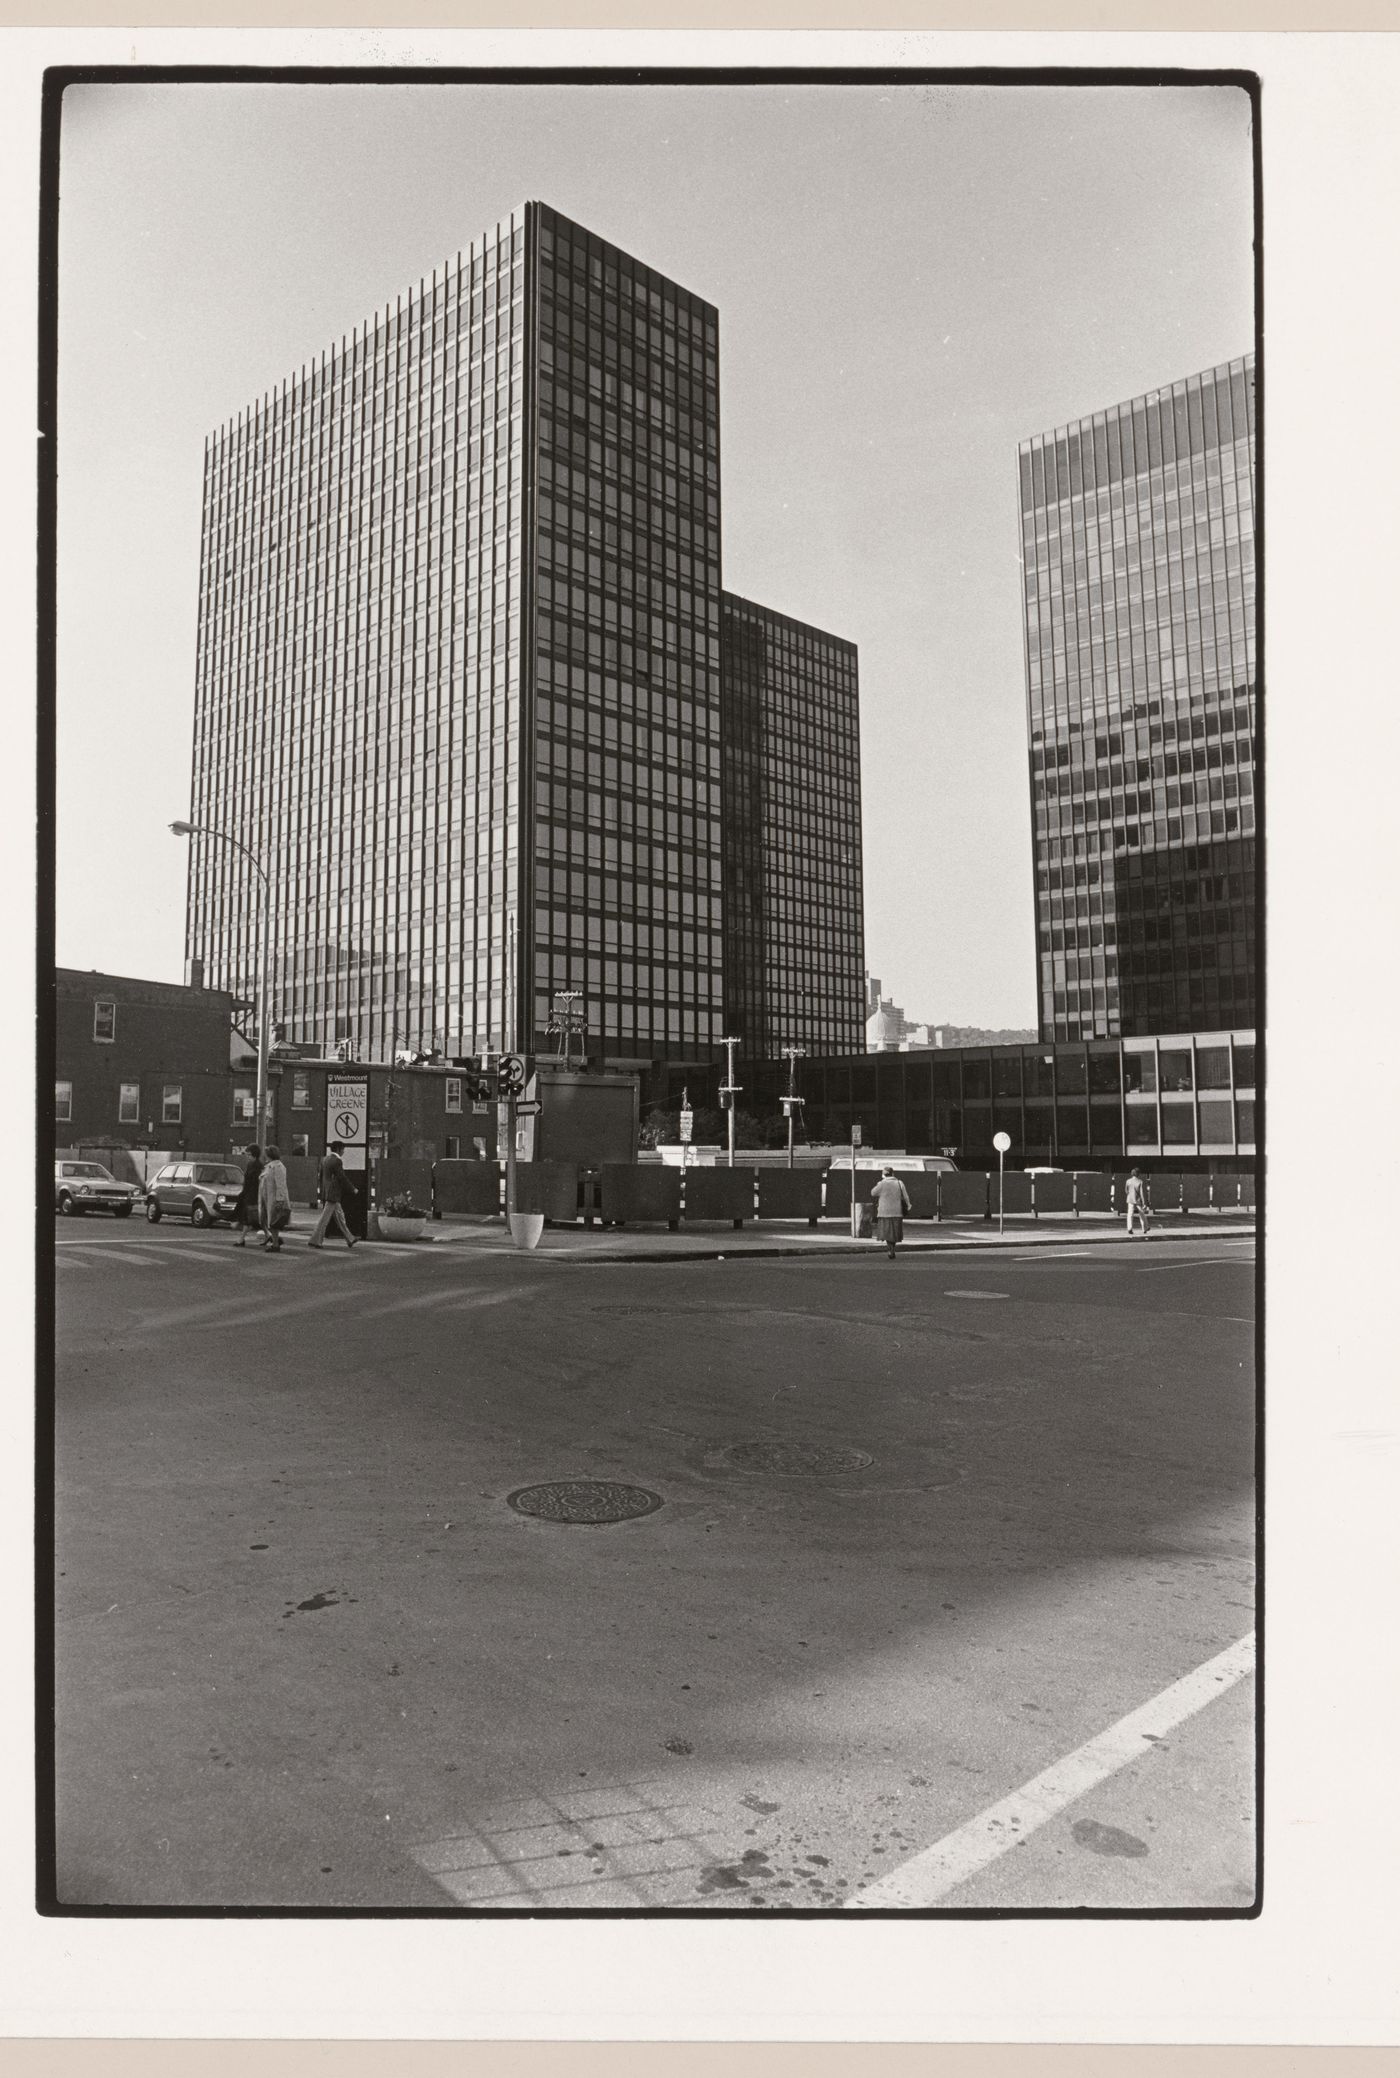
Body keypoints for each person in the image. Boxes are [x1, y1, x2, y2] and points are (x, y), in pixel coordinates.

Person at [308, 1140, 358, 1250]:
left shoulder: (325, 1159)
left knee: (340, 1217)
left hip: (328, 1192)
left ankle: (350, 1238)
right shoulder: (337, 1161)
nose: (344, 1152)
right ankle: (315, 1240)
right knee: (324, 1219)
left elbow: (321, 1177)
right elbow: (342, 1177)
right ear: (339, 1149)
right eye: (343, 1149)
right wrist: (352, 1188)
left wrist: (322, 1192)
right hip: (333, 1194)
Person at [870, 1165, 913, 1261]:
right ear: (893, 1173)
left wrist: (879, 1184)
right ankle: (892, 1249)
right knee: (894, 1233)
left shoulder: (881, 1184)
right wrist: (909, 1205)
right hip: (897, 1212)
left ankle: (890, 1249)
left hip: (884, 1212)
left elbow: (873, 1193)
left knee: (887, 1233)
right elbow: (905, 1196)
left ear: (883, 1175)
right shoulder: (899, 1182)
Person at [257, 1143, 293, 1251]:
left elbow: (280, 1185)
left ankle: (276, 1244)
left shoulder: (278, 1167)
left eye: (266, 1154)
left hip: (274, 1200)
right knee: (269, 1222)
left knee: (273, 1223)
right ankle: (276, 1240)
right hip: (266, 1199)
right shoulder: (269, 1166)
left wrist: (280, 1200)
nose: (265, 1156)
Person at [231, 1144, 264, 1247]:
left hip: (253, 1196)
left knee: (250, 1219)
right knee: (251, 1219)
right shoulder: (251, 1165)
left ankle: (241, 1239)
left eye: (249, 1155)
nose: (248, 1157)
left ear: (254, 1155)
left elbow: (255, 1182)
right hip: (248, 1194)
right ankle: (269, 1236)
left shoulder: (258, 1166)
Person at [1125, 1166, 1151, 1239]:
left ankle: (1129, 1228)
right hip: (1138, 1199)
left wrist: (1130, 1194)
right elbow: (1142, 1193)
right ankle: (1145, 1228)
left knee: (1130, 1214)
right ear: (1138, 1174)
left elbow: (1126, 1191)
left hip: (1130, 1199)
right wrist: (1144, 1202)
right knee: (1141, 1213)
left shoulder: (1128, 1181)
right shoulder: (1140, 1182)